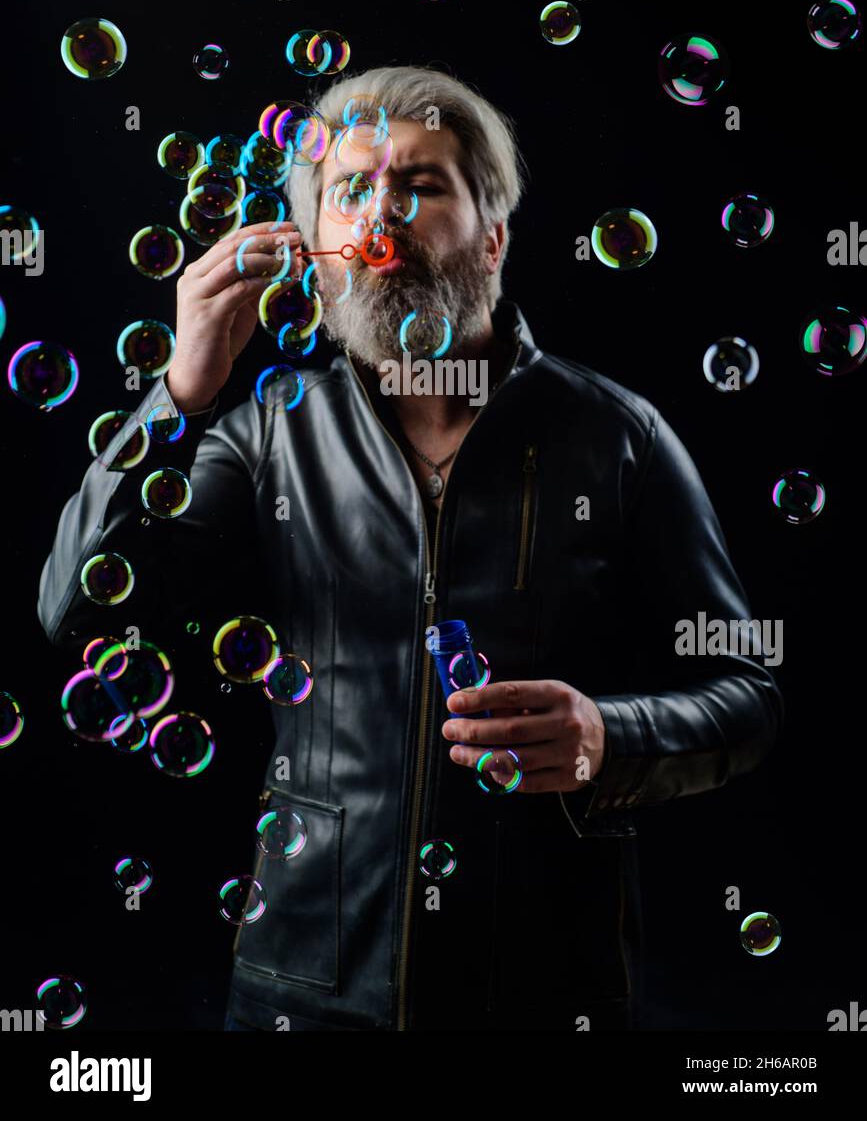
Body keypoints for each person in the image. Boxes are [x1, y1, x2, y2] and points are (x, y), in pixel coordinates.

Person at [37, 64, 783, 1032]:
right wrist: (178, 392)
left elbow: (749, 688)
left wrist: (611, 734)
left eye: (421, 184)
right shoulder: (268, 432)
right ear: (316, 250)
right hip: (301, 990)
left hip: (546, 991)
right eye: (350, 190)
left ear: (495, 235)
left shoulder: (617, 434)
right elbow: (80, 607)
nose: (381, 210)